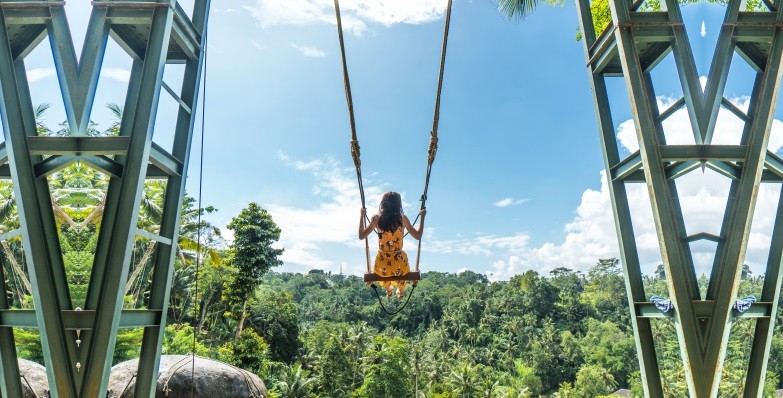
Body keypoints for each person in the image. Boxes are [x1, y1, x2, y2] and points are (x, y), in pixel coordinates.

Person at [359, 191, 425, 298]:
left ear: (383, 203)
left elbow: (361, 235)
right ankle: (400, 289)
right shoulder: (402, 219)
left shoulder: (376, 219)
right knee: (401, 271)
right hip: (400, 263)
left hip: (382, 263)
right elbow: (418, 236)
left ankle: (388, 289)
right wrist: (422, 217)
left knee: (384, 272)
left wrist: (362, 216)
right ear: (398, 205)